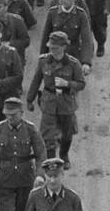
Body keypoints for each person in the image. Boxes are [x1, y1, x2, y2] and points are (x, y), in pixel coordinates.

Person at [27, 30, 86, 166]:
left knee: (67, 133)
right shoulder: (43, 61)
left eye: (56, 48)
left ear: (64, 47)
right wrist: (30, 99)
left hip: (66, 103)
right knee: (48, 135)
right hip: (49, 102)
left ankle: (64, 155)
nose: (52, 50)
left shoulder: (73, 63)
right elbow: (36, 80)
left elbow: (81, 84)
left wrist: (68, 84)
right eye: (50, 47)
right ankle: (53, 162)